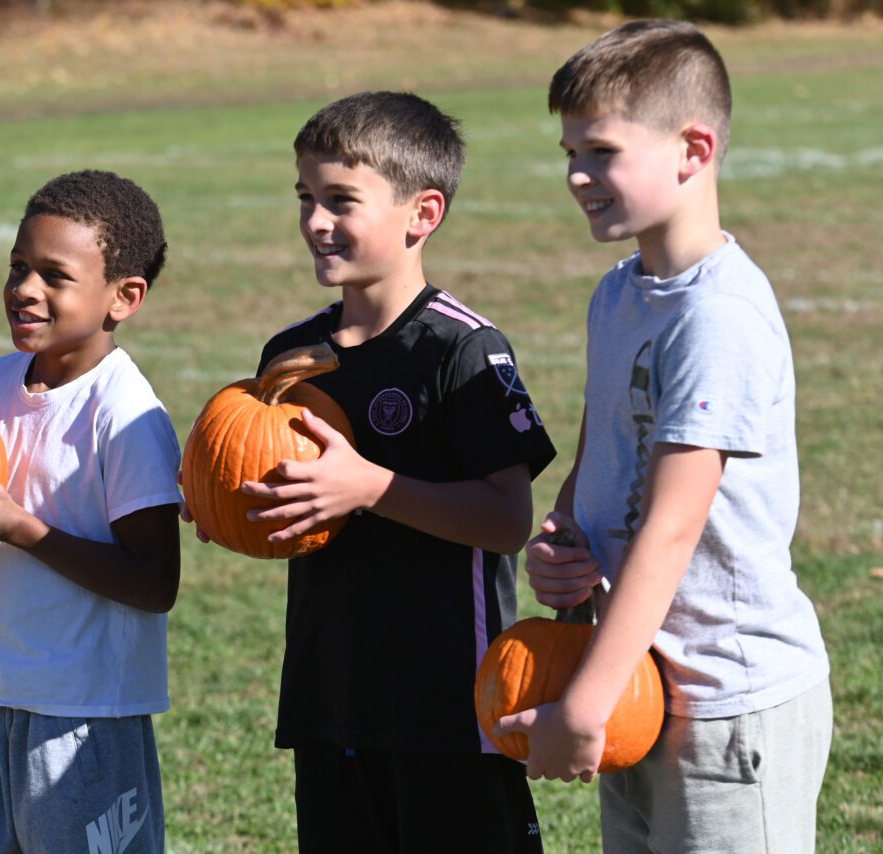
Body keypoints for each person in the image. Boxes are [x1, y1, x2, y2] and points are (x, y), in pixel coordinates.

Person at [495, 20, 834, 853]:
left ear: (693, 149)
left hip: (726, 703)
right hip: (640, 683)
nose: (577, 175)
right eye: (569, 152)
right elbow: (602, 456)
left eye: (602, 152)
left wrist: (583, 703)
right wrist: (563, 542)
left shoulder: (717, 317)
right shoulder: (620, 294)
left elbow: (674, 525)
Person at [232, 91, 557, 852]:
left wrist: (369, 487)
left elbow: (507, 518)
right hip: (329, 697)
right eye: (306, 198)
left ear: (423, 213)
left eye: (341, 201)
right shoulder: (290, 355)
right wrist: (231, 504)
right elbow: (288, 501)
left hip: (448, 708)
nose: (316, 221)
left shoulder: (463, 351)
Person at [0, 170, 182, 853]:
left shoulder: (126, 413)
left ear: (125, 297)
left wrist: (23, 529)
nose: (25, 289)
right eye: (18, 267)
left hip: (84, 714)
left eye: (55, 275)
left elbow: (154, 583)